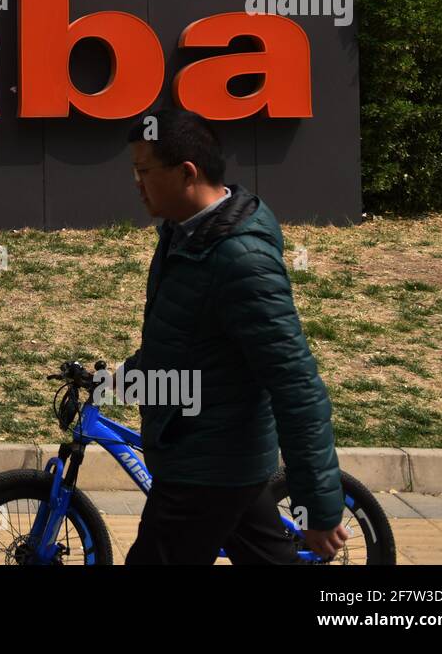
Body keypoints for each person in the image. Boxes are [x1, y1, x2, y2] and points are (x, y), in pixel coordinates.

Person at [120, 108, 348, 564]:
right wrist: (119, 380)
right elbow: (185, 341)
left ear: (187, 173)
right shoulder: (185, 234)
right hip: (215, 457)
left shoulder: (240, 260)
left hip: (207, 470)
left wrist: (319, 507)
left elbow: (296, 384)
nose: (137, 183)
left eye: (144, 171)